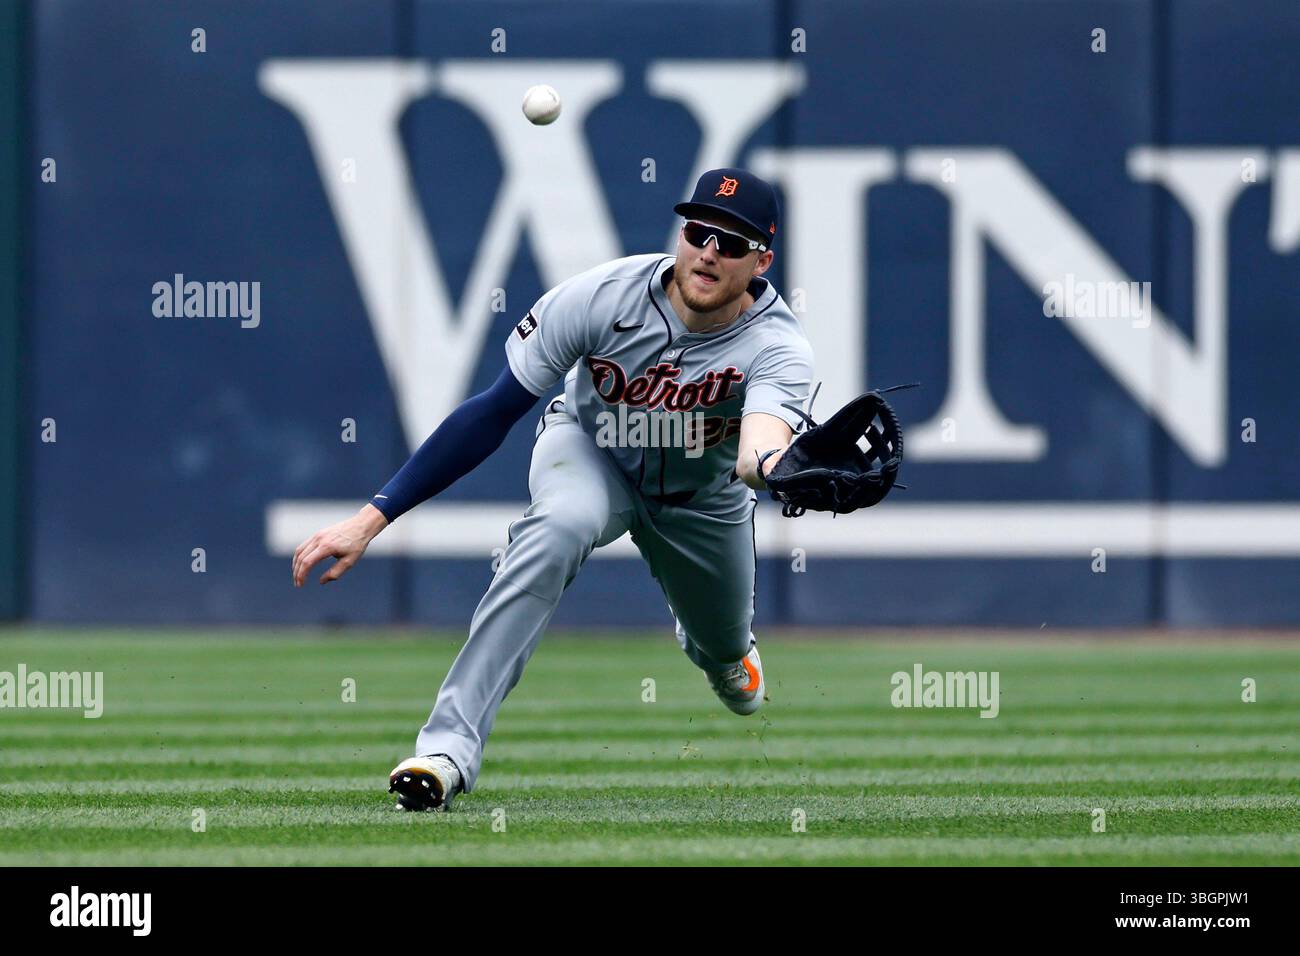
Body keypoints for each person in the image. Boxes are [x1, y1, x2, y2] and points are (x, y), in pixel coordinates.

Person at [291, 168, 814, 811]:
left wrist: (775, 465)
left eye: (731, 242)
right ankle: (447, 751)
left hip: (702, 497)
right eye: (698, 230)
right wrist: (373, 517)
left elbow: (758, 449)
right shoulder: (600, 297)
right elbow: (491, 411)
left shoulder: (779, 346)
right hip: (591, 453)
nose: (709, 250)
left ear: (761, 259)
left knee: (733, 670)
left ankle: (719, 650)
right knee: (558, 528)